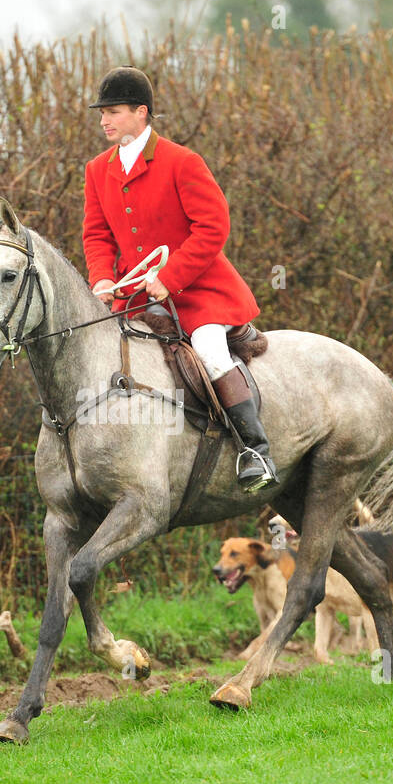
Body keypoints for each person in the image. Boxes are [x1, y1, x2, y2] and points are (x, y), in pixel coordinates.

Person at [81, 66, 279, 492]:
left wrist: (171, 277)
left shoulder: (182, 161)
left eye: (112, 112)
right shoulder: (97, 170)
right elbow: (96, 235)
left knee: (208, 349)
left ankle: (255, 450)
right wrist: (100, 278)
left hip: (200, 292)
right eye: (102, 113)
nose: (104, 121)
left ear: (141, 112)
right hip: (133, 297)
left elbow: (213, 226)